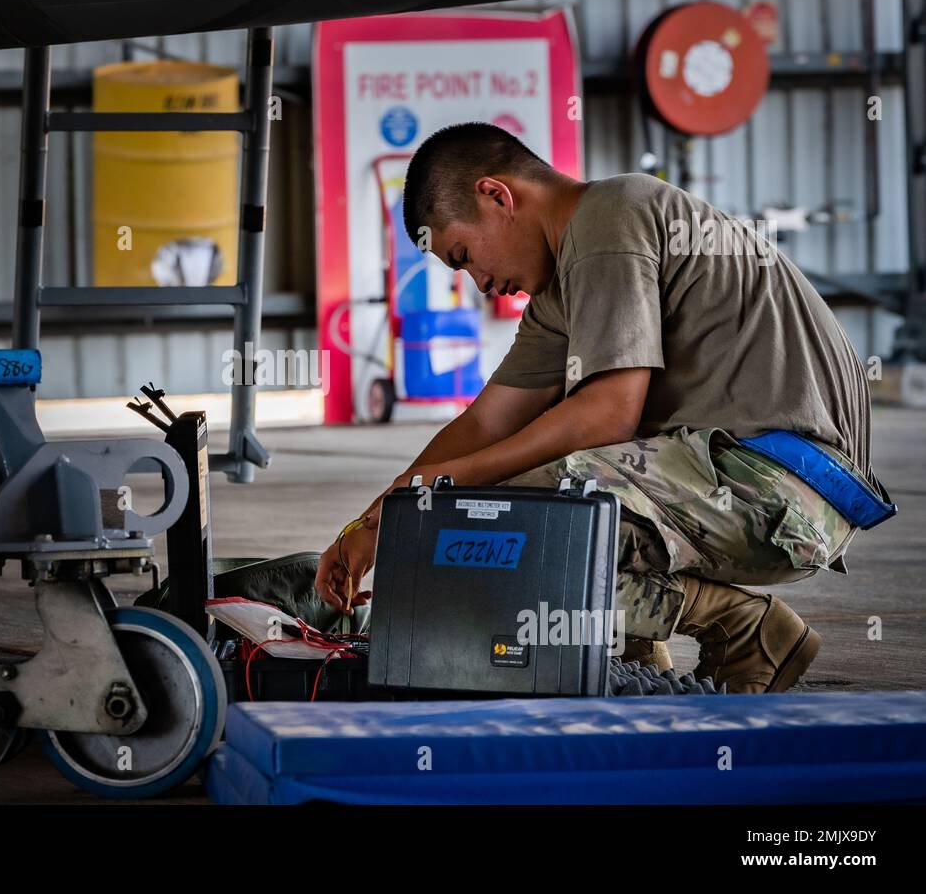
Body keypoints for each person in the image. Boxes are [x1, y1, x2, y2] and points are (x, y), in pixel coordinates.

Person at [314, 121, 894, 693]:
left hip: (783, 490)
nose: (478, 281)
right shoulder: (558, 291)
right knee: (473, 506)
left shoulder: (609, 218)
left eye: (464, 254)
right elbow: (486, 423)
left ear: (497, 195)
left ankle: (742, 626)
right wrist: (375, 520)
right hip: (750, 484)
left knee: (492, 520)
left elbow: (607, 413)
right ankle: (635, 650)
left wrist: (439, 487)